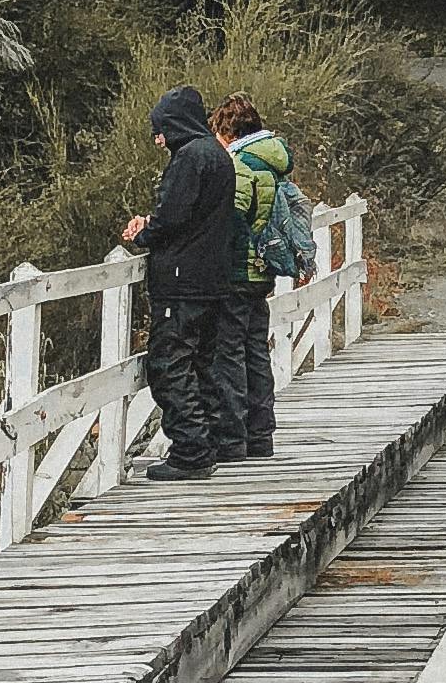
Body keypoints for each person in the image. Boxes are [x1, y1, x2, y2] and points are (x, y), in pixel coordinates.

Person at [121, 86, 238, 480]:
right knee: (203, 363)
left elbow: (173, 217)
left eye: (160, 130)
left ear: (174, 125)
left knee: (169, 363)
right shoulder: (218, 155)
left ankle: (191, 451)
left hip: (182, 280)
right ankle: (211, 440)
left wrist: (144, 232)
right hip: (212, 278)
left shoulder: (189, 159)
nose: (158, 140)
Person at [213, 95, 313, 461]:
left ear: (227, 131)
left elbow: (233, 218)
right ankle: (261, 434)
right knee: (256, 351)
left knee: (229, 354)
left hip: (238, 270)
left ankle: (232, 438)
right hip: (262, 272)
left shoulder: (241, 164)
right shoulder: (272, 161)